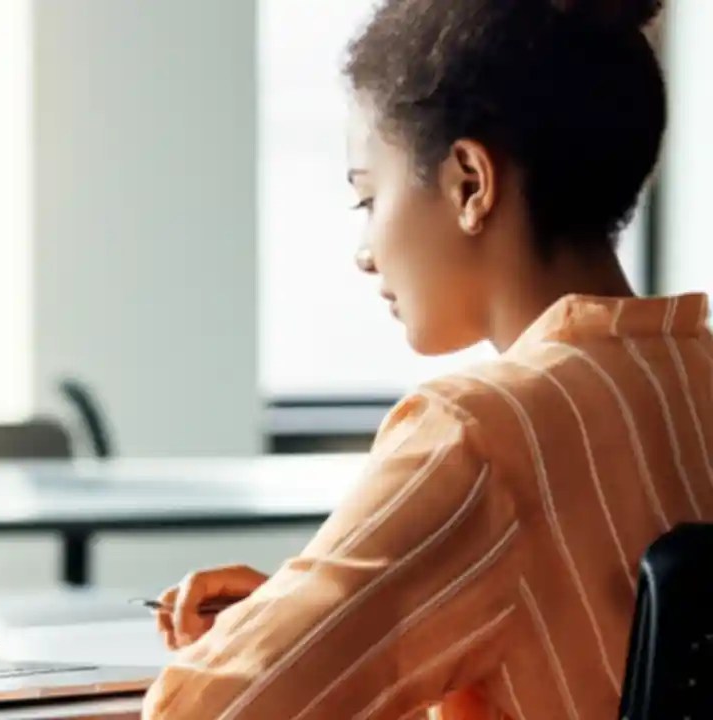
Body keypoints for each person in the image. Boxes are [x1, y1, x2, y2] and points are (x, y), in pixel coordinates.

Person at [143, 0, 704, 718]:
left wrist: (253, 651)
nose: (364, 253)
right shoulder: (696, 379)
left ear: (470, 182)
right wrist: (326, 629)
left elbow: (209, 711)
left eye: (367, 198)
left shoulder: (480, 438)